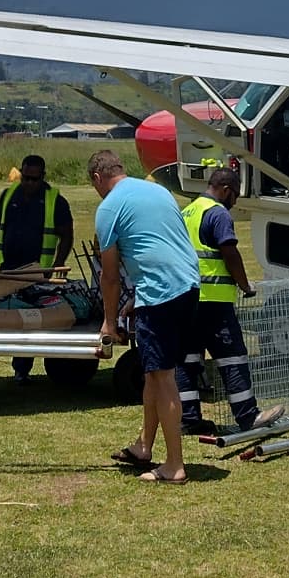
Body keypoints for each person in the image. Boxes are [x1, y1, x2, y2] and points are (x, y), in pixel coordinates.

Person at [89, 148, 202, 485]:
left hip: (161, 295)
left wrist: (108, 323)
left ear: (98, 178)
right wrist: (138, 297)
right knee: (154, 373)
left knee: (163, 376)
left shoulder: (109, 207)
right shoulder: (158, 190)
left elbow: (108, 276)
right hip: (186, 286)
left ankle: (174, 466)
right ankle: (143, 447)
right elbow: (162, 244)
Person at [176, 167, 281, 435]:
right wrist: (245, 285)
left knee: (186, 360)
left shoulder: (189, 211)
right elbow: (229, 252)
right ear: (225, 189)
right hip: (214, 301)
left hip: (186, 299)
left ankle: (188, 419)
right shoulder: (218, 213)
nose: (234, 202)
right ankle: (248, 416)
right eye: (234, 196)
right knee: (232, 358)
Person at [0, 154, 74, 377]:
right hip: (9, 268)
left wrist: (58, 264)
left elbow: (67, 235)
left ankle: (31, 368)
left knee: (32, 319)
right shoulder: (8, 195)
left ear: (43, 176)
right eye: (25, 178)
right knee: (9, 314)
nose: (29, 183)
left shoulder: (55, 201)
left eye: (34, 179)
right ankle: (17, 366)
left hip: (37, 272)